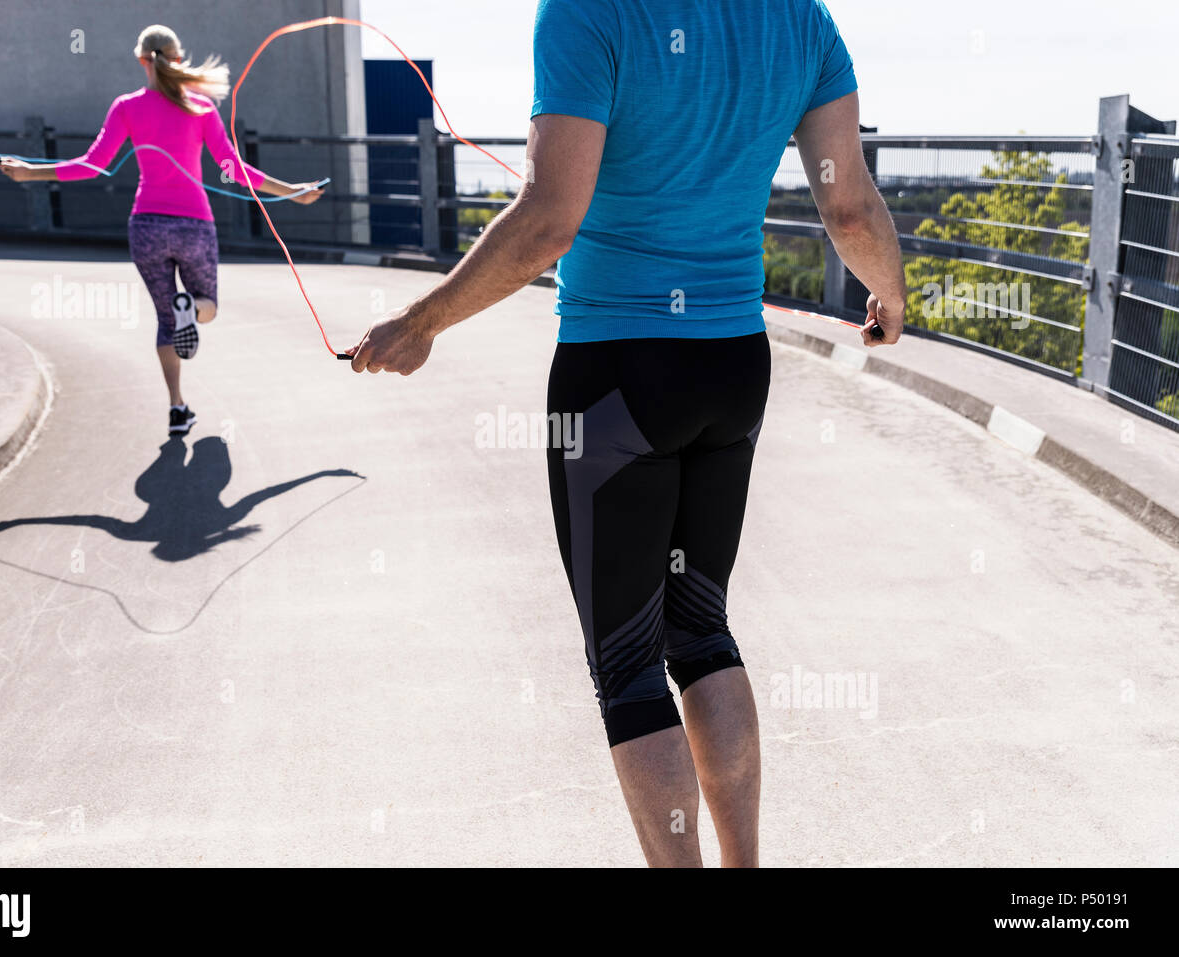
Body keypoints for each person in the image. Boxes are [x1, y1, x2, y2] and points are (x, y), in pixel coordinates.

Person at [349, 0, 907, 867]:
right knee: (703, 631)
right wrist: (892, 293)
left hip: (617, 375)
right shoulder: (800, 18)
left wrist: (423, 321)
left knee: (630, 666)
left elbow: (550, 219)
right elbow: (850, 210)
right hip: (733, 366)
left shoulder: (585, 11)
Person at [0, 24, 326, 436]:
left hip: (146, 226)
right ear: (178, 59)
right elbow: (232, 168)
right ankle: (192, 306)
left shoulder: (126, 107)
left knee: (166, 319)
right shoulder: (200, 108)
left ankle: (176, 406)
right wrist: (292, 192)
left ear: (142, 61)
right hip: (194, 225)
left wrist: (30, 172)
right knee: (207, 306)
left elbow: (93, 165)